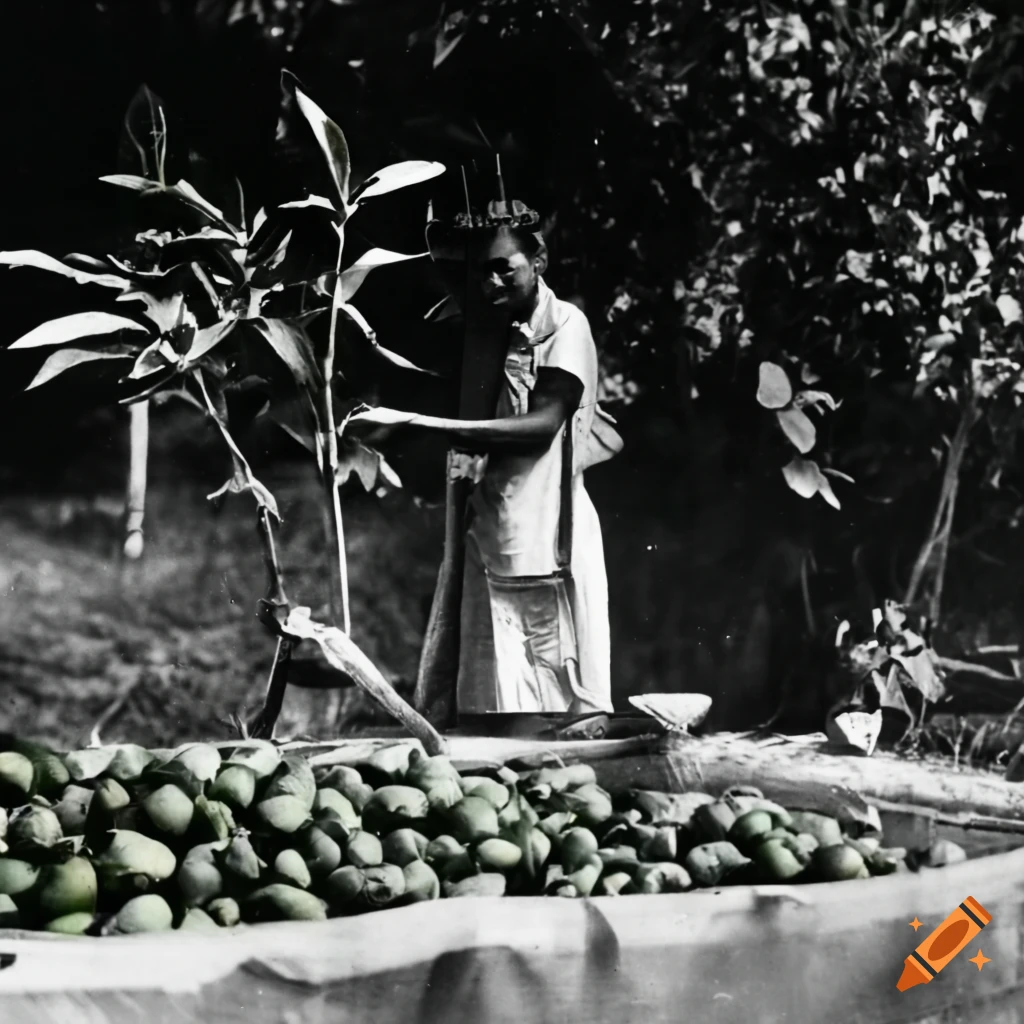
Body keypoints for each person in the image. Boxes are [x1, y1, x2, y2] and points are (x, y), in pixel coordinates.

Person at [350, 205, 617, 717]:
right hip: (491, 532)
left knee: (557, 698)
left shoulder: (565, 326)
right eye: (481, 272)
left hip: (547, 541)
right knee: (490, 690)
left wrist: (423, 426)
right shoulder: (491, 332)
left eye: (504, 267)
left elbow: (542, 426)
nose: (492, 282)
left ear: (538, 260)